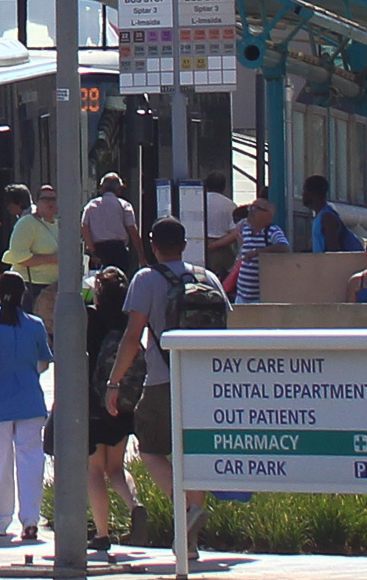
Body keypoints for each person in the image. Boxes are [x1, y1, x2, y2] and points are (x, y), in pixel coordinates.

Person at [103, 217, 228, 560]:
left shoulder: (146, 280)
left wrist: (115, 382)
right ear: (185, 244)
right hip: (204, 382)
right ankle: (189, 543)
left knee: (151, 450)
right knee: (195, 454)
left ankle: (186, 509)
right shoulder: (208, 278)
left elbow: (132, 337)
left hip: (163, 379)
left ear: (153, 245)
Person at [0, 272, 53, 541]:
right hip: (30, 400)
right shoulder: (36, 325)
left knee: (0, 462)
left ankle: (0, 519)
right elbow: (43, 363)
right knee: (31, 461)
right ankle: (30, 519)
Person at [85, 267, 146, 553]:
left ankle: (101, 533)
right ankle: (135, 506)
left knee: (94, 470)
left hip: (94, 404)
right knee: (116, 468)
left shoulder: (89, 320)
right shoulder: (127, 324)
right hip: (122, 404)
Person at [2, 185, 60, 337]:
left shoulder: (59, 225)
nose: (50, 203)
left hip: (54, 288)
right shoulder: (27, 223)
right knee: (33, 333)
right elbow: (18, 256)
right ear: (37, 202)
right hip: (32, 289)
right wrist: (53, 259)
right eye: (45, 199)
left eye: (53, 199)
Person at [81, 173, 145, 275]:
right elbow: (133, 230)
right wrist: (142, 258)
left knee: (98, 284)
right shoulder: (124, 205)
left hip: (99, 250)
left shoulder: (90, 206)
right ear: (119, 190)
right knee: (120, 283)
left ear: (101, 188)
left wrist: (92, 250)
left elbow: (84, 227)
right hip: (119, 250)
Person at [231, 199, 290, 305]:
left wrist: (257, 252)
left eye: (256, 209)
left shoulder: (272, 231)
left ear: (268, 214)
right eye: (250, 208)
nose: (251, 212)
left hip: (259, 298)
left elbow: (284, 247)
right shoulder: (246, 230)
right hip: (241, 296)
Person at [303, 175, 362, 254]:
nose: (303, 194)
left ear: (313, 193)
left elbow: (332, 252)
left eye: (305, 190)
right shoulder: (320, 216)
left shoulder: (327, 217)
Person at [202, 172, 240, 278]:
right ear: (224, 186)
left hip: (198, 245)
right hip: (221, 249)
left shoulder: (197, 202)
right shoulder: (230, 205)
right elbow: (235, 233)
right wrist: (215, 245)